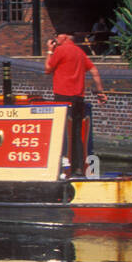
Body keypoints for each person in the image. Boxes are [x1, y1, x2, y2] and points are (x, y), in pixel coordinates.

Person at [44, 33, 108, 176]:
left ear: (65, 38)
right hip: (78, 97)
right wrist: (100, 92)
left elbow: (48, 69)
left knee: (61, 131)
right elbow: (94, 70)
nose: (55, 39)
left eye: (58, 37)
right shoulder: (80, 52)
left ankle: (62, 168)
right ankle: (78, 167)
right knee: (77, 132)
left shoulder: (60, 50)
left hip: (62, 96)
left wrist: (49, 50)